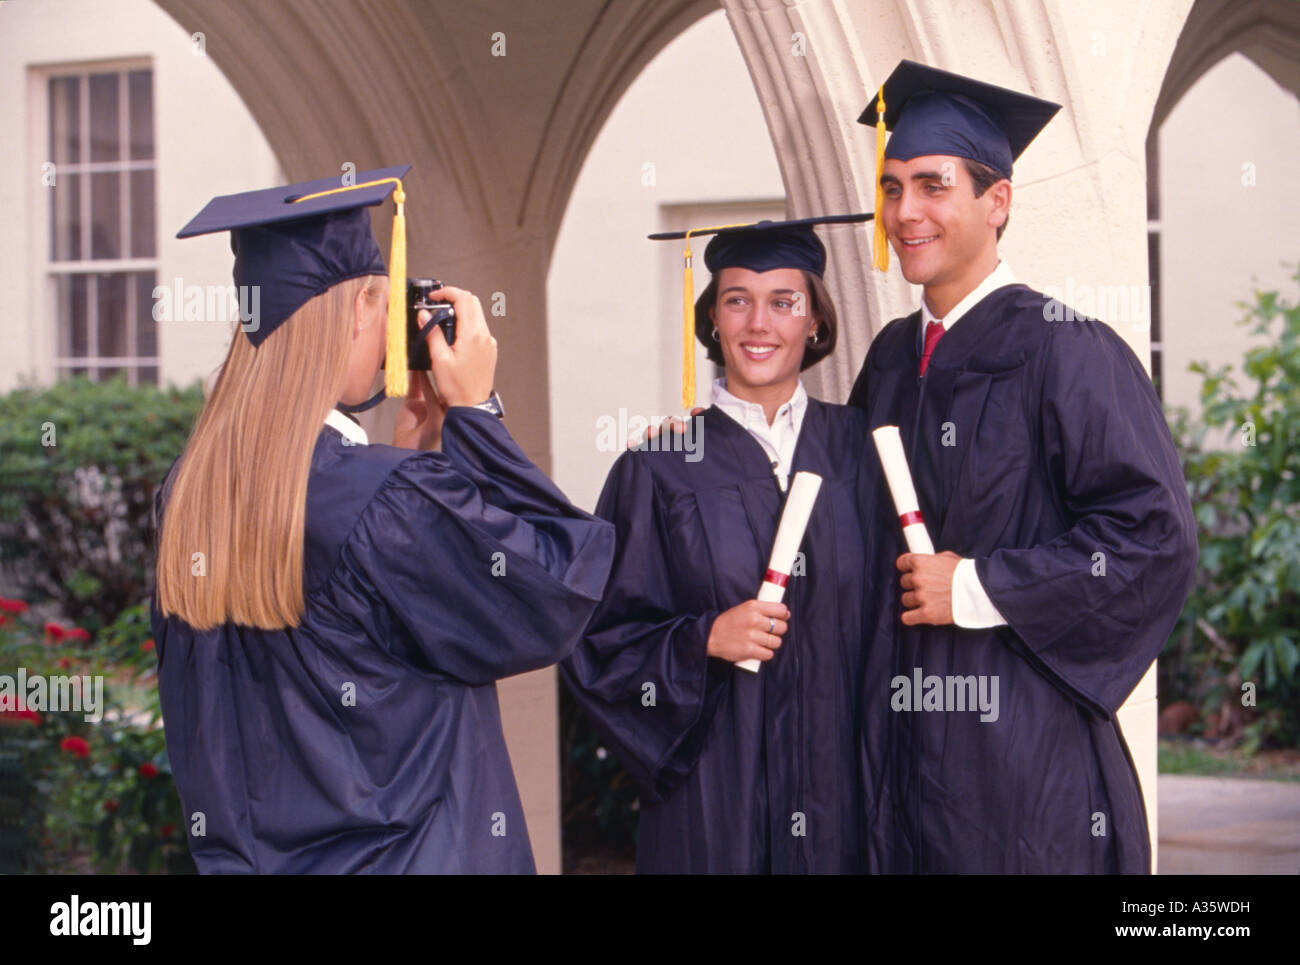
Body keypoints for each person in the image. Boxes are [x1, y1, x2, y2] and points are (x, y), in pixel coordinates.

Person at [150, 166, 615, 874]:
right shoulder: (386, 501)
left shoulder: (188, 496)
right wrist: (477, 418)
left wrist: (411, 464)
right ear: (360, 310)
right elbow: (558, 588)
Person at [847, 61, 1198, 873]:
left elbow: (1153, 540)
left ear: (996, 200)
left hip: (1021, 755)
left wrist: (974, 586)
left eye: (933, 185)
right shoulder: (894, 360)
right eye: (894, 188)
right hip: (900, 744)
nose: (905, 211)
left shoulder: (1065, 349)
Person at [561, 216, 879, 873]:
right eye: (737, 300)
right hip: (716, 803)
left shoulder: (862, 449)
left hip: (846, 800)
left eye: (783, 302)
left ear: (815, 321)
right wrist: (700, 639)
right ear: (713, 320)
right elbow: (593, 645)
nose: (758, 323)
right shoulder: (659, 468)